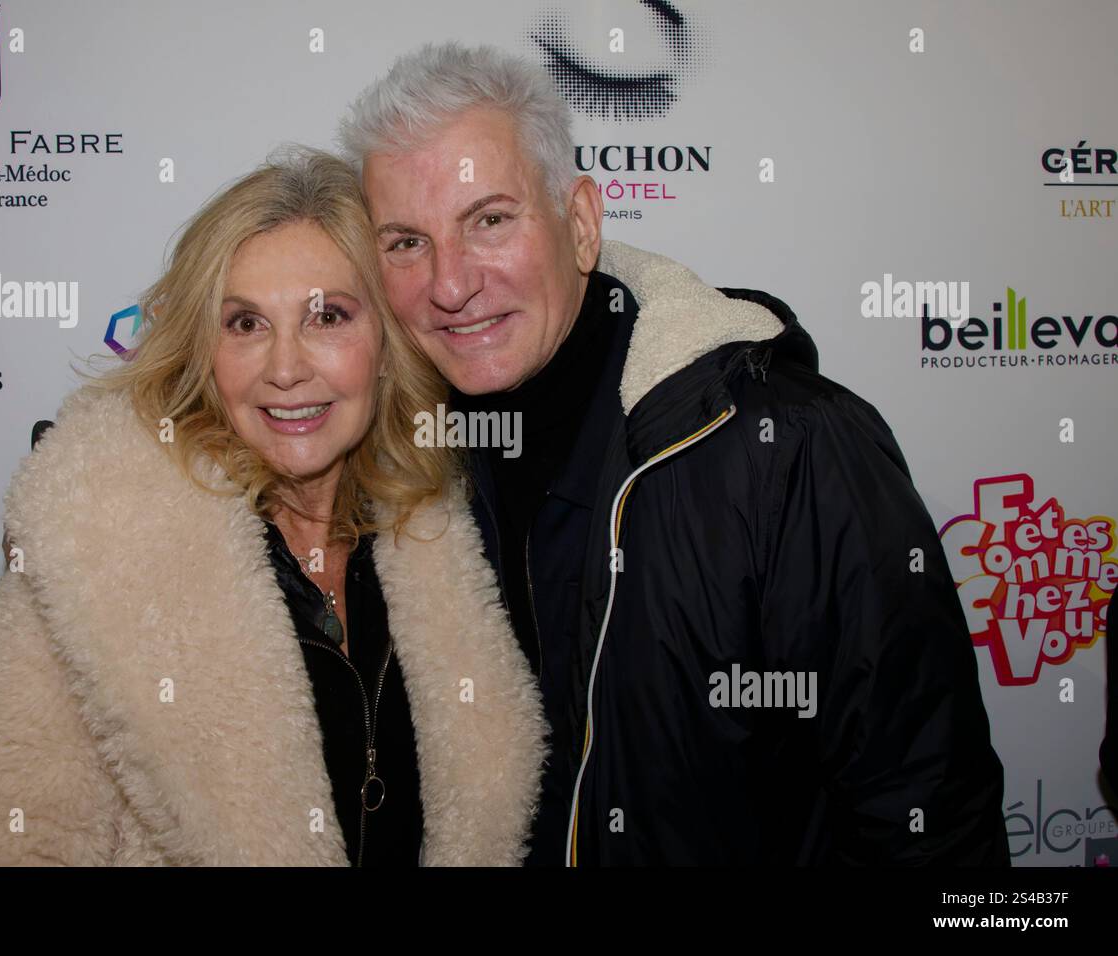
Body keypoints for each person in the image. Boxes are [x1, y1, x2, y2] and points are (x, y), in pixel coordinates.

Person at [338, 41, 1011, 865]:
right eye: (406, 241)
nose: (450, 283)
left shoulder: (788, 450)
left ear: (579, 223)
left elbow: (929, 812)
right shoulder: (394, 473)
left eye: (490, 220)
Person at [0, 146, 547, 867]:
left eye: (327, 316)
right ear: (202, 350)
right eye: (244, 324)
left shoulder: (454, 533)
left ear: (388, 342)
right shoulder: (91, 568)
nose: (284, 367)